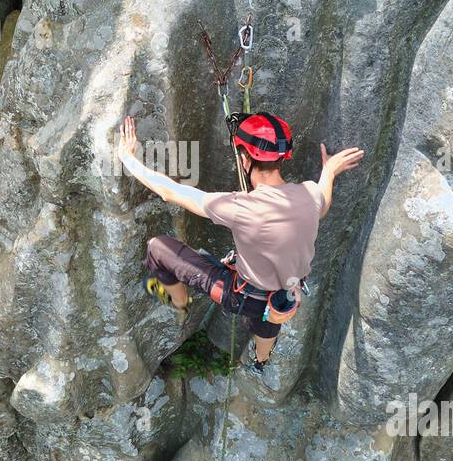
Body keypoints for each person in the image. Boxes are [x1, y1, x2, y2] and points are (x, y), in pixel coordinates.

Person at [117, 111, 364, 372]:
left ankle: (180, 302)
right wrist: (329, 172)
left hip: (239, 296)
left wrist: (128, 158)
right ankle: (261, 360)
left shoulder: (241, 207)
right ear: (282, 159)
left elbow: (170, 192)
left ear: (245, 159)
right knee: (267, 328)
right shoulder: (310, 194)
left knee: (157, 248)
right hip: (285, 297)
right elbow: (322, 205)